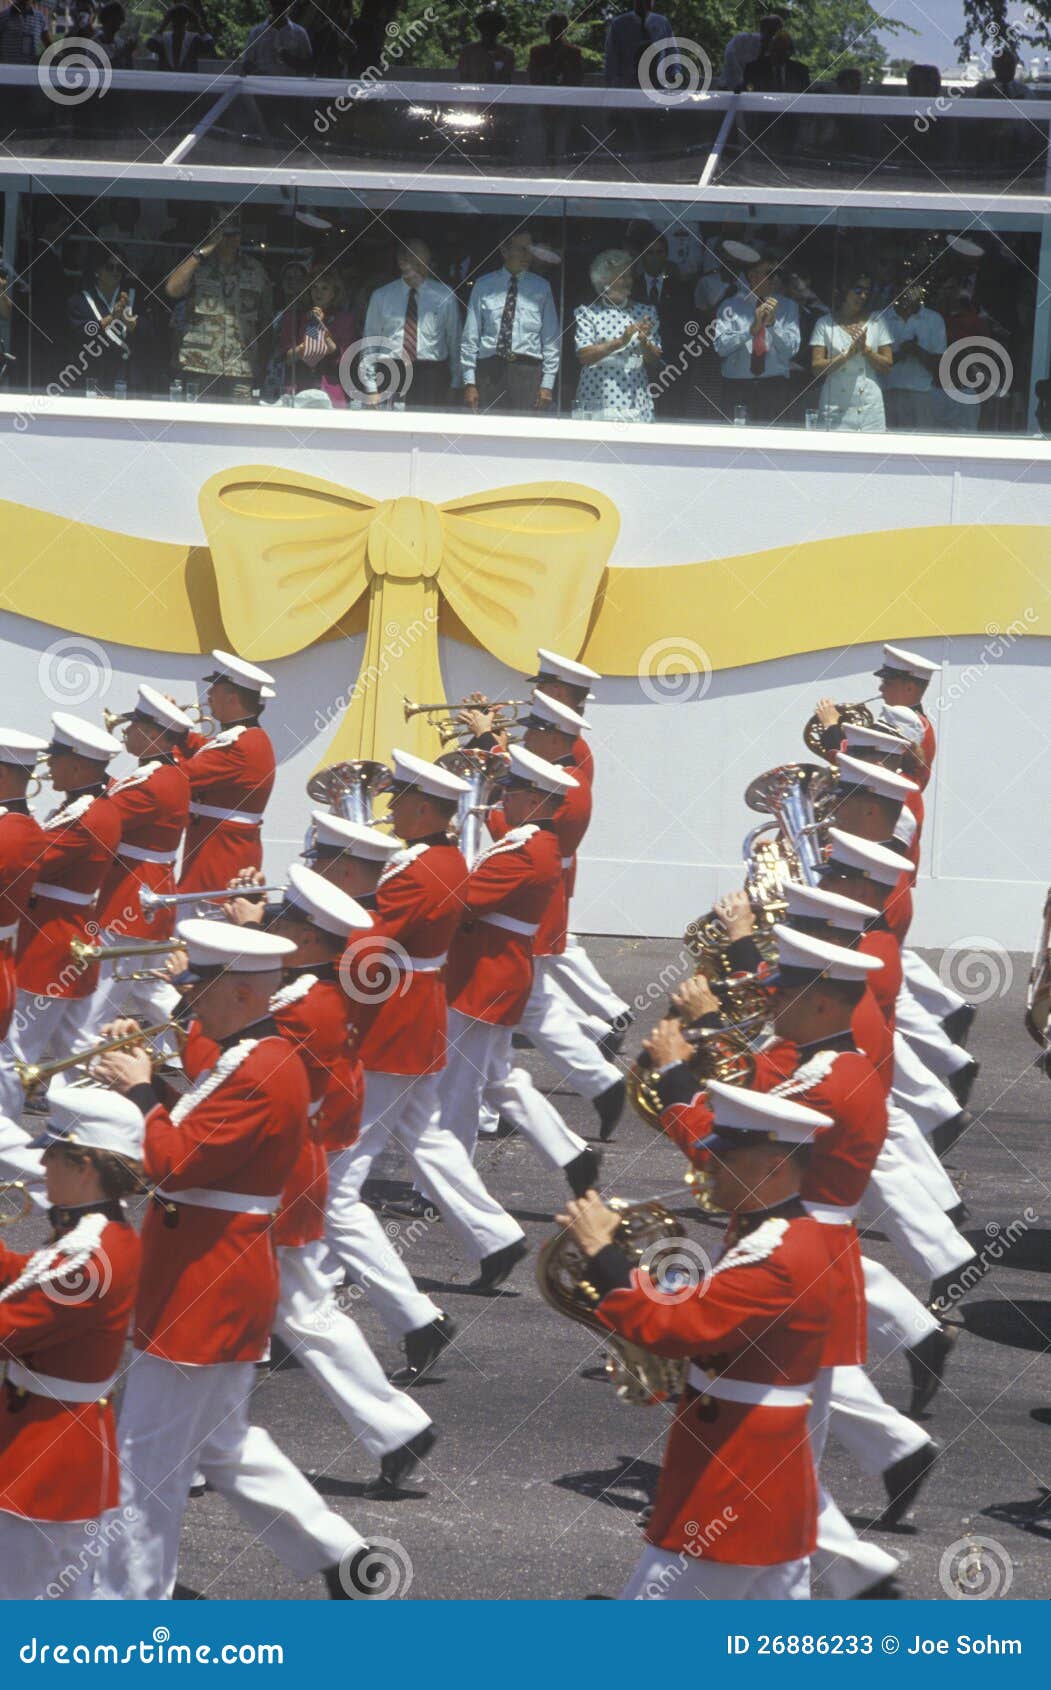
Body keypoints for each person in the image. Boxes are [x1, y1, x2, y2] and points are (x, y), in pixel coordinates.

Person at [93, 920, 376, 1601]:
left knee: (144, 1459)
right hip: (214, 1274)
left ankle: (129, 1605)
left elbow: (176, 1163)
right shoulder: (249, 1056)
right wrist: (156, 1084)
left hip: (205, 1283)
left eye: (204, 991)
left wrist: (136, 1095)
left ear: (245, 995)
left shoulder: (258, 1066)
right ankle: (341, 1558)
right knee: (225, 1446)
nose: (192, 1003)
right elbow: (204, 1131)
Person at [558, 1082, 836, 1600]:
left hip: (734, 1482)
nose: (708, 1168)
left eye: (725, 1158)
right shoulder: (771, 1233)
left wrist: (603, 1254)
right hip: (760, 1478)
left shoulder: (779, 1253)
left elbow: (677, 1326)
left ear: (773, 1168)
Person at [222, 864, 439, 1496]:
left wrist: (232, 956)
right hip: (284, 1166)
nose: (273, 927)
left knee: (290, 1308)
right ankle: (208, 1443)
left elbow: (220, 1054)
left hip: (276, 1173)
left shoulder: (299, 1006)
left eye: (285, 923)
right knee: (260, 1309)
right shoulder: (307, 992)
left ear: (313, 942)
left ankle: (394, 1425)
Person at [0, 1085, 143, 1598]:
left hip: (46, 1455)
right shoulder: (97, 1237)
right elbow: (32, 1276)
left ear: (84, 1166)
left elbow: (14, 1324)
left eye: (53, 1156)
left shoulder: (91, 1260)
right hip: (45, 1440)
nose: (43, 1168)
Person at [11, 713, 123, 1077]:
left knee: (17, 1049)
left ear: (77, 766)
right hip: (62, 936)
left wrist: (14, 814)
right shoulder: (87, 806)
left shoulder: (85, 816)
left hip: (51, 943)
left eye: (55, 759)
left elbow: (31, 863)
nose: (49, 768)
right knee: (74, 1050)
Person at [81, 687, 192, 1042]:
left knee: (97, 997)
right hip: (149, 893)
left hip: (130, 898)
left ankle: (72, 1076)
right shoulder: (164, 775)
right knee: (151, 990)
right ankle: (189, 1043)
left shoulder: (152, 782)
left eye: (135, 725)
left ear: (154, 734)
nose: (126, 731)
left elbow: (104, 818)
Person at [176, 651, 276, 896]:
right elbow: (206, 749)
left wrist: (162, 738)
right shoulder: (245, 738)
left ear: (232, 699)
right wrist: (176, 731)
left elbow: (179, 778)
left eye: (214, 690)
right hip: (214, 856)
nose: (208, 696)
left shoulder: (240, 745)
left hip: (217, 865)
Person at [164, 213, 272, 403]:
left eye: (234, 234)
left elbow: (265, 322)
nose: (229, 240)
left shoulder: (255, 270)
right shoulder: (198, 266)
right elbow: (172, 289)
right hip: (198, 364)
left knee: (239, 427)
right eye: (223, 234)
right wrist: (201, 252)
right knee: (198, 426)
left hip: (241, 367)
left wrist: (262, 364)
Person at [461, 228, 560, 415]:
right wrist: (470, 381)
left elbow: (551, 338)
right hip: (490, 371)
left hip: (527, 371)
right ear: (504, 251)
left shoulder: (541, 288)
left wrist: (547, 383)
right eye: (521, 249)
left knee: (525, 433)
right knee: (488, 432)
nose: (527, 255)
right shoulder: (484, 285)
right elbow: (470, 335)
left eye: (530, 250)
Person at [361, 239, 463, 409]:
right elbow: (370, 342)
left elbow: (455, 340)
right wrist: (371, 387)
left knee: (428, 430)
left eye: (425, 263)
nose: (422, 268)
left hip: (431, 374)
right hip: (391, 370)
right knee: (392, 430)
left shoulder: (445, 296)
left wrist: (456, 382)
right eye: (415, 262)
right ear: (402, 262)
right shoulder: (382, 296)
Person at [573, 249, 662, 424]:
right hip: (596, 389)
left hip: (633, 391)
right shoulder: (588, 313)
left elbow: (655, 358)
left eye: (630, 276)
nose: (629, 281)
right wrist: (621, 341)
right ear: (604, 281)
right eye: (623, 276)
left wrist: (644, 341)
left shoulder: (645, 312)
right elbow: (584, 355)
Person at [712, 254, 801, 425]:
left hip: (774, 387)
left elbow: (791, 350)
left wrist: (773, 325)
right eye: (770, 273)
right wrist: (750, 331)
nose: (775, 279)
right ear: (752, 276)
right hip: (737, 386)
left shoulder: (789, 306)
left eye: (777, 273)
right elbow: (720, 348)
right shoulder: (731, 305)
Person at [810, 273, 893, 432]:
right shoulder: (825, 323)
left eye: (867, 292)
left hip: (869, 408)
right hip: (834, 405)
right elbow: (816, 368)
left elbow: (888, 366)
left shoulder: (877, 321)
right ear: (843, 291)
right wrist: (846, 356)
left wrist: (866, 351)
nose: (863, 296)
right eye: (857, 290)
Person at [280, 264, 357, 406]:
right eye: (314, 287)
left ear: (334, 292)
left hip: (332, 393)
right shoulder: (293, 317)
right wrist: (311, 329)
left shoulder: (345, 320)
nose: (318, 292)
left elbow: (341, 358)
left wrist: (320, 326)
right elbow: (287, 358)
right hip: (298, 391)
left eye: (324, 288)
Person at [66, 247, 139, 397]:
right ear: (96, 270)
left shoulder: (133, 298)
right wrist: (112, 318)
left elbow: (148, 333)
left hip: (125, 377)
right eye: (109, 266)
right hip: (91, 374)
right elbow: (81, 333)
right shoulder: (79, 300)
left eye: (120, 267)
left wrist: (125, 319)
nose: (115, 271)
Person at [879, 278, 947, 431]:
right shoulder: (879, 317)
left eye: (913, 287)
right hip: (886, 393)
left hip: (922, 395)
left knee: (921, 448)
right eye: (903, 287)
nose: (907, 292)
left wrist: (916, 350)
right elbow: (872, 363)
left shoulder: (934, 319)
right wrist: (901, 354)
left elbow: (939, 367)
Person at [604, 0, 674, 89]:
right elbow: (611, 55)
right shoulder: (619, 24)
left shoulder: (662, 23)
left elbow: (672, 52)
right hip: (628, 85)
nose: (645, 3)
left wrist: (674, 73)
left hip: (658, 86)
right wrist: (611, 80)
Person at [240, 0, 313, 74]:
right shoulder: (256, 32)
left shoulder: (299, 33)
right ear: (269, 5)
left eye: (282, 4)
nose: (278, 8)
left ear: (289, 6)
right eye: (274, 3)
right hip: (262, 83)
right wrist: (259, 73)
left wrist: (291, 60)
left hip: (290, 83)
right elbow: (246, 63)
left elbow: (309, 65)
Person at [721, 12, 781, 90]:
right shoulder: (743, 40)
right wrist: (739, 82)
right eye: (771, 30)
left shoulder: (776, 52)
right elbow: (730, 57)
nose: (773, 35)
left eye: (777, 32)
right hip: (729, 89)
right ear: (762, 29)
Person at [146, 4, 214, 71]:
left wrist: (163, 25)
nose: (178, 22)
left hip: (187, 80)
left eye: (181, 19)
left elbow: (210, 46)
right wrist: (197, 25)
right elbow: (150, 46)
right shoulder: (164, 38)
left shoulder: (193, 39)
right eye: (176, 19)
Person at [456, 8, 514, 81]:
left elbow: (507, 79)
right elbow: (461, 77)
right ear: (480, 29)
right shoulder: (468, 51)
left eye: (493, 29)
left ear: (499, 30)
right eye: (485, 28)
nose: (489, 32)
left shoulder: (507, 53)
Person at [742, 30, 810, 93]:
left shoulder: (800, 71)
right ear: (770, 49)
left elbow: (806, 95)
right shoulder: (754, 69)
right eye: (776, 50)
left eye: (783, 50)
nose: (779, 54)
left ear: (790, 52)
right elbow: (749, 91)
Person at [527, 13, 581, 85]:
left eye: (559, 27)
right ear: (547, 29)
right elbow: (533, 78)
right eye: (554, 27)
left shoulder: (574, 53)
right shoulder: (537, 52)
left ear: (565, 29)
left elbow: (577, 80)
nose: (556, 31)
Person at [92, 2, 135, 68]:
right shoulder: (93, 45)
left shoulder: (120, 43)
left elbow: (129, 71)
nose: (122, 20)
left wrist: (129, 55)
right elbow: (98, 71)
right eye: (119, 17)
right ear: (108, 18)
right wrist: (122, 54)